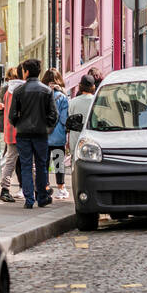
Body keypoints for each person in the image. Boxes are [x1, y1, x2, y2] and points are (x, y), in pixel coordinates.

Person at [8, 58, 58, 209]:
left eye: (23, 71)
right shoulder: (47, 91)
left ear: (27, 72)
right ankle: (42, 197)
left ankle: (29, 200)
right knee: (41, 165)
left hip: (23, 134)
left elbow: (12, 116)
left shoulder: (19, 91)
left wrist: (19, 125)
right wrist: (47, 128)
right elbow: (53, 115)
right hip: (41, 134)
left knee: (26, 166)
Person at [43, 69, 71, 202]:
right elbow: (65, 119)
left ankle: (45, 187)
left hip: (43, 134)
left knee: (44, 163)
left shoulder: (41, 95)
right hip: (58, 135)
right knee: (59, 162)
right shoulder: (62, 97)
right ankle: (61, 188)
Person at [0, 66, 21, 204]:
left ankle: (5, 189)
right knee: (30, 162)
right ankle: (38, 189)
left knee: (10, 161)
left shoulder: (6, 91)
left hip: (9, 129)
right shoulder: (18, 91)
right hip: (20, 130)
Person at [66, 74, 98, 163]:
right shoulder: (96, 101)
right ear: (93, 87)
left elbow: (69, 124)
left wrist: (68, 141)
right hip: (93, 139)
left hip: (75, 139)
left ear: (80, 86)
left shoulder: (72, 102)